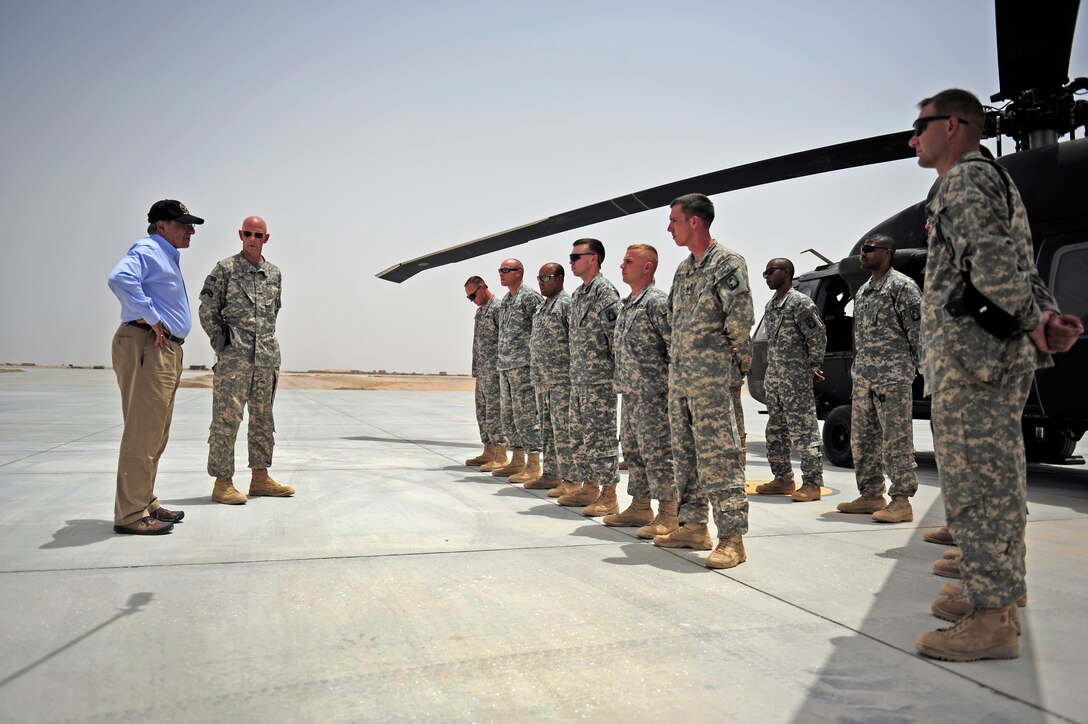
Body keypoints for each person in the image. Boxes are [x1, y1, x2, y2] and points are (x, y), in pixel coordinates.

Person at [909, 88, 1082, 662]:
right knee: (1000, 480)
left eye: (921, 126)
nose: (914, 139)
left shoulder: (961, 181)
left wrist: (1035, 322)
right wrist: (1046, 317)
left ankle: (990, 620)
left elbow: (989, 264)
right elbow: (1018, 265)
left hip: (972, 359)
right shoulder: (997, 179)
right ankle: (1003, 594)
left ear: (953, 125)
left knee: (977, 489)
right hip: (993, 356)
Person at [654, 194, 754, 569]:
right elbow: (673, 322)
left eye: (674, 220)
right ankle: (693, 525)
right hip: (681, 380)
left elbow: (741, 318)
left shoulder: (726, 263)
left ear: (694, 221)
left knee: (720, 457)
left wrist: (721, 360)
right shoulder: (683, 270)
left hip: (711, 381)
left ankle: (732, 538)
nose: (669, 227)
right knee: (686, 457)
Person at [107, 199, 202, 534]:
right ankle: (131, 514)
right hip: (148, 343)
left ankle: (145, 501)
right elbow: (119, 279)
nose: (190, 230)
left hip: (162, 348)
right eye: (183, 224)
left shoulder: (164, 255)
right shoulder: (148, 249)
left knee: (155, 432)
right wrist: (152, 317)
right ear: (161, 225)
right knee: (143, 432)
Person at [199, 215, 294, 504]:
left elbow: (272, 315)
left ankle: (260, 478)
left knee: (263, 419)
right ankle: (222, 482)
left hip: (266, 360)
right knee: (227, 420)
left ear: (266, 239)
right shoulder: (225, 269)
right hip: (234, 362)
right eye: (248, 234)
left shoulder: (274, 274)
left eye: (258, 235)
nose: (252, 239)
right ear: (240, 235)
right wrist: (224, 346)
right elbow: (207, 311)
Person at [835, 234, 923, 523]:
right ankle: (871, 494)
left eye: (869, 249)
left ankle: (901, 501)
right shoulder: (863, 292)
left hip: (892, 378)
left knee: (896, 441)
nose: (863, 253)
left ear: (887, 252)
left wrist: (918, 369)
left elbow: (918, 333)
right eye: (862, 249)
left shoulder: (902, 287)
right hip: (864, 378)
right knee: (863, 441)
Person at [606, 244, 679, 538]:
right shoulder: (627, 305)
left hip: (654, 395)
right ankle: (639, 506)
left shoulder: (657, 303)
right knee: (634, 452)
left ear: (647, 267)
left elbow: (675, 347)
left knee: (659, 454)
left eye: (628, 261)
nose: (621, 266)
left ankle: (669, 513)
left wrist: (671, 392)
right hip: (631, 392)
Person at [554, 239, 621, 515]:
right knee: (580, 436)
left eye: (575, 256)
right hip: (579, 380)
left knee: (601, 437)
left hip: (599, 381)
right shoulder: (580, 294)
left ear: (593, 258)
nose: (570, 261)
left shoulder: (604, 292)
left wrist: (615, 377)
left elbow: (617, 337)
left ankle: (609, 494)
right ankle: (590, 486)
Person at [753, 258, 827, 502]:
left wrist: (813, 365)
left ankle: (813, 483)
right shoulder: (772, 305)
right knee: (776, 430)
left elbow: (817, 335)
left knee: (804, 431)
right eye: (765, 272)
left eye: (770, 271)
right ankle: (783, 479)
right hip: (775, 377)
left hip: (795, 377)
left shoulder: (800, 303)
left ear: (786, 273)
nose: (766, 276)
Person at [492, 259, 544, 480]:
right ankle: (517, 461)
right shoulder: (506, 300)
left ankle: (533, 465)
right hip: (505, 366)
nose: (502, 274)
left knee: (526, 416)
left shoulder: (530, 297)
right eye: (500, 270)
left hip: (524, 366)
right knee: (509, 416)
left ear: (519, 273)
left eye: (506, 270)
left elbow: (541, 328)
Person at [526, 263, 572, 489]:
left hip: (561, 381)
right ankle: (551, 473)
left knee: (563, 432)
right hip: (542, 380)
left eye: (546, 277)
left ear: (560, 278)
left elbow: (575, 341)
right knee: (547, 431)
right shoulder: (541, 308)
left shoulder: (566, 304)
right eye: (539, 277)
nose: (541, 282)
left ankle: (570, 478)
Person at [464, 275, 505, 470]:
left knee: (495, 413)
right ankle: (488, 451)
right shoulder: (481, 312)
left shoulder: (498, 308)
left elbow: (505, 340)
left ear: (483, 288)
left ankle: (501, 454)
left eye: (473, 295)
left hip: (495, 373)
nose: (472, 300)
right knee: (483, 413)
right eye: (469, 298)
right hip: (482, 372)